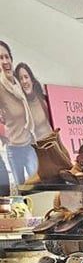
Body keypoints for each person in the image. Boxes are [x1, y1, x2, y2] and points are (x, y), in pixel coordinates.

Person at [0, 41, 37, 184]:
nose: (5, 61)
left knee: (38, 189)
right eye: (0, 58)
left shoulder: (19, 83)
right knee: (22, 193)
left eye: (6, 56)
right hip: (13, 147)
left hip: (29, 144)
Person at [15, 62, 52, 141]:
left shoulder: (43, 100)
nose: (24, 81)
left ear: (31, 79)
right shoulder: (20, 106)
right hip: (36, 149)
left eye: (26, 77)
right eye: (20, 79)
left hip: (53, 144)